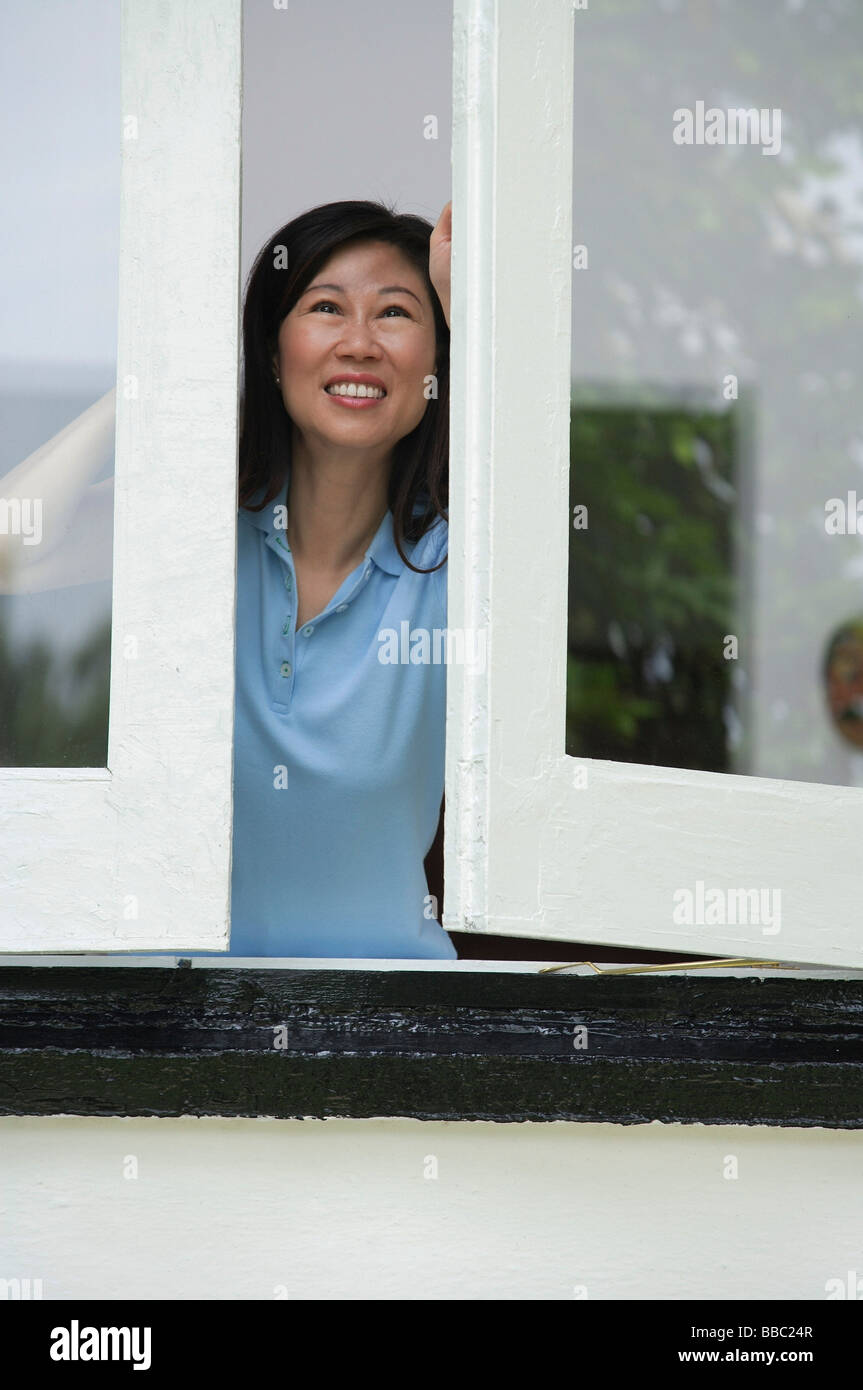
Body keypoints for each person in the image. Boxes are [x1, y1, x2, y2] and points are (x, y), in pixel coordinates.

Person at [226, 198, 456, 956]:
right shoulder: (191, 539)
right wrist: (156, 383)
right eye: (326, 308)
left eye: (395, 315)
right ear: (271, 351)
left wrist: (483, 325)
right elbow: (15, 545)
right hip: (163, 1029)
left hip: (390, 1037)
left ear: (437, 363)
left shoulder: (461, 570)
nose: (358, 344)